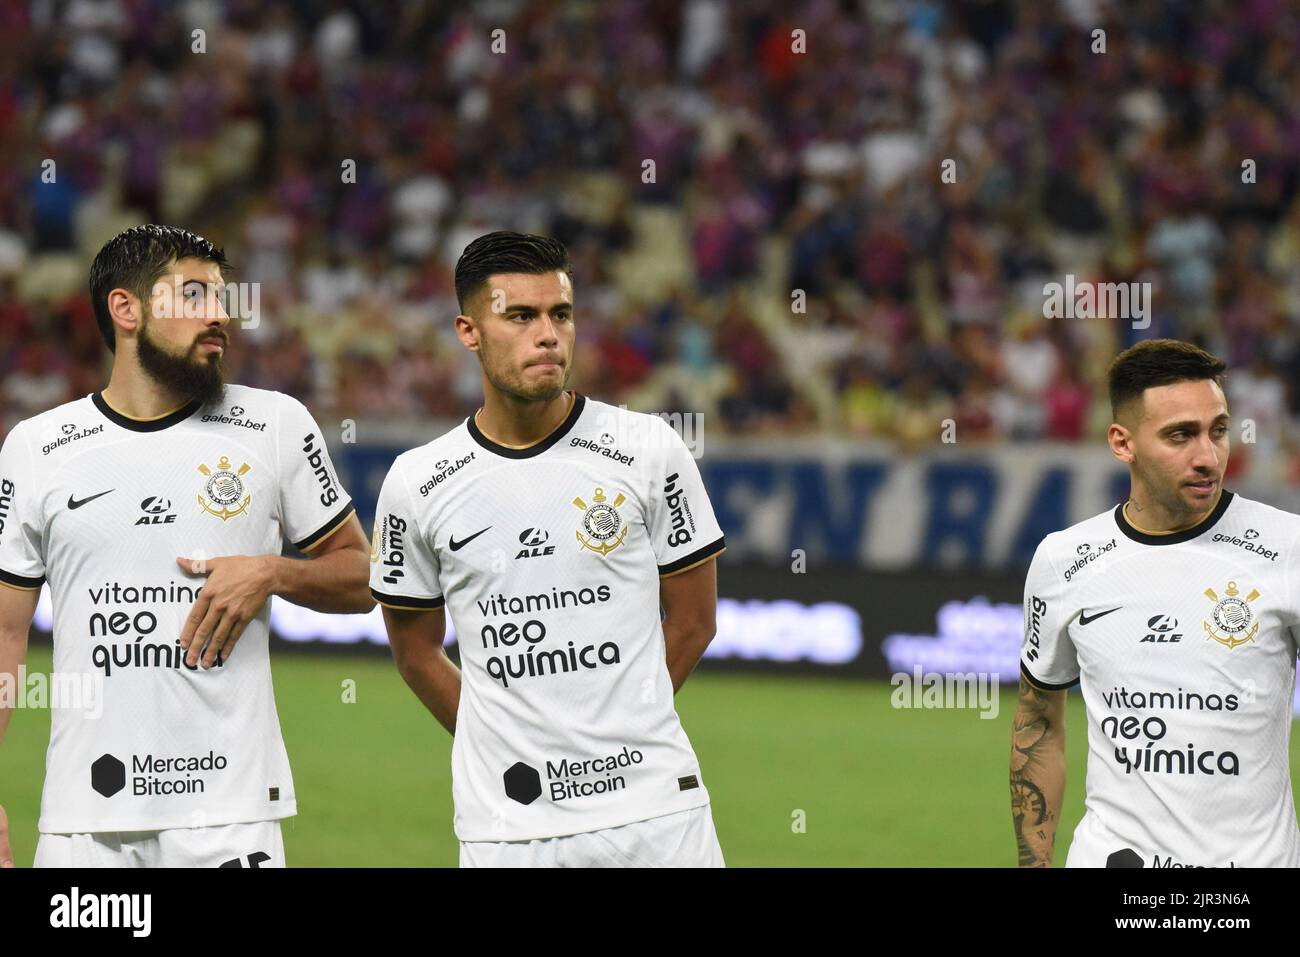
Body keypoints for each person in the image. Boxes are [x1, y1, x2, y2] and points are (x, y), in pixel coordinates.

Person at [0, 224, 373, 868]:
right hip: (86, 822)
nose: (221, 314)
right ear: (126, 309)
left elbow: (365, 576)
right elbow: (5, 638)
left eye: (222, 297)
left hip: (231, 816)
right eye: (195, 295)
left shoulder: (274, 425)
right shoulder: (37, 449)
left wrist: (272, 573)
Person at [371, 231, 727, 866]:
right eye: (520, 316)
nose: (548, 334)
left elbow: (696, 621)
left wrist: (616, 730)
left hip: (656, 815)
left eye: (560, 314)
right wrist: (504, 741)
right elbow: (416, 651)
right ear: (469, 331)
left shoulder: (650, 449)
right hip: (508, 827)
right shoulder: (416, 482)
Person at [1012, 338, 1300, 867]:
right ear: (1123, 443)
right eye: (1180, 436)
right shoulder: (1064, 561)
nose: (1208, 456)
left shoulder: (1288, 549)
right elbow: (1040, 721)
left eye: (1218, 430)